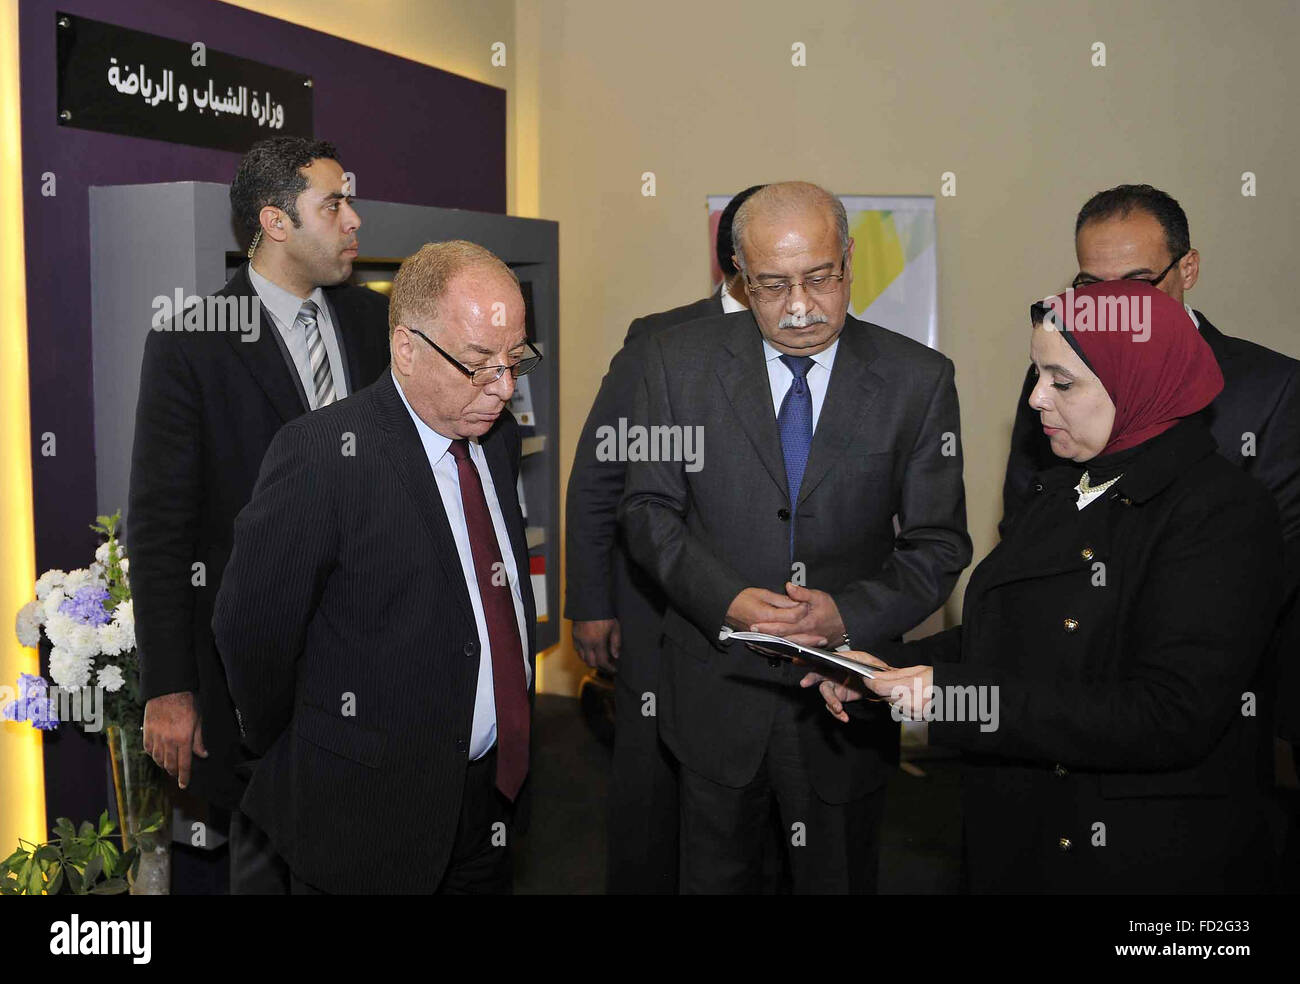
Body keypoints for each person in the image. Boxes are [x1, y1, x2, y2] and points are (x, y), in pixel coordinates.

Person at [814, 281, 1283, 893]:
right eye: (1036, 375)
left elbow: (1169, 714)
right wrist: (876, 667)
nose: (1036, 399)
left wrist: (953, 696)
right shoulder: (1067, 485)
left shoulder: (1220, 512)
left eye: (1062, 382)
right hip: (1025, 832)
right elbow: (1009, 633)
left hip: (1139, 854)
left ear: (1137, 383)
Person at [619, 181, 971, 893]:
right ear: (740, 280)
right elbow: (647, 512)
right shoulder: (673, 362)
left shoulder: (918, 380)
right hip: (716, 692)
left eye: (819, 278)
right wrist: (728, 600)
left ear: (849, 261)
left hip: (841, 695)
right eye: (772, 285)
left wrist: (847, 614)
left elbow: (937, 545)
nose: (800, 305)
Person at [213, 241, 539, 894]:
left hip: (490, 800)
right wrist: (309, 742)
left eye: (514, 361)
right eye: (478, 366)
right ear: (407, 347)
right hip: (365, 818)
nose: (503, 389)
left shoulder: (494, 439)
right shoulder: (322, 456)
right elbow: (250, 628)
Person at [1000, 184, 1300, 883]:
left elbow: (1268, 571)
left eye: (1136, 284)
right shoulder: (1056, 379)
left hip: (1199, 723)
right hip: (1060, 724)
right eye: (1091, 286)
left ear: (1186, 270)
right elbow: (1028, 533)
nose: (1113, 306)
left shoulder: (1273, 389)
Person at [127, 136, 390, 892]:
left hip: (376, 664)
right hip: (256, 684)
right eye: (334, 204)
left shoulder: (379, 328)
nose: (354, 220)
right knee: (272, 872)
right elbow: (160, 527)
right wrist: (170, 689)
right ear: (276, 223)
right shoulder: (190, 343)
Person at [566, 183, 764, 894]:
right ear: (736, 260)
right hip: (660, 615)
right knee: (654, 797)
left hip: (777, 623)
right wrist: (590, 602)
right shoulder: (660, 341)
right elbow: (597, 479)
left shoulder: (825, 342)